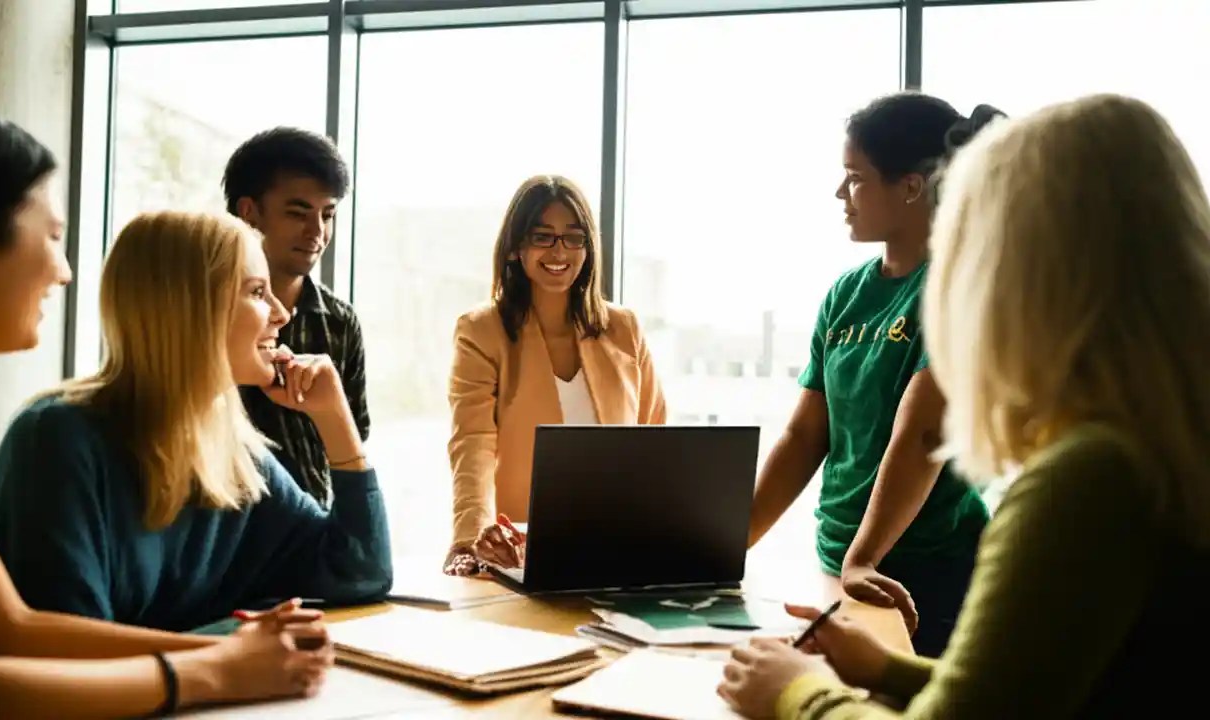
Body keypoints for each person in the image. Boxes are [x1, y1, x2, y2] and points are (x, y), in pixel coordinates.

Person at [719, 93, 1210, 718]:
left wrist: (793, 690)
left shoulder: (1089, 477)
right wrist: (886, 666)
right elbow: (1029, 689)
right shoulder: (1168, 449)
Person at [0, 104, 332, 716]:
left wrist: (236, 656)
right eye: (54, 238)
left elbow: (10, 627)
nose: (64, 273)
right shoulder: (56, 434)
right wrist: (213, 672)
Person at [0, 209, 393, 632]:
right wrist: (233, 647)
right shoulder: (55, 440)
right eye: (256, 292)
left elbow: (360, 573)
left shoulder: (235, 452)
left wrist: (334, 421)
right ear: (190, 307)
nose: (281, 314)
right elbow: (64, 650)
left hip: (200, 695)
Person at [745, 93, 999, 656]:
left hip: (923, 574)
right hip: (841, 564)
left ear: (911, 187)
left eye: (855, 178)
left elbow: (922, 435)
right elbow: (806, 435)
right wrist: (729, 544)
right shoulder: (846, 294)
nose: (841, 194)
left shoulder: (954, 290)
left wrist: (866, 557)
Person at [443, 175, 667, 575]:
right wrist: (470, 537)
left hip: (620, 543)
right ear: (516, 247)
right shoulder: (481, 330)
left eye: (573, 236)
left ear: (588, 247)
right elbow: (472, 441)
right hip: (523, 549)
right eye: (542, 236)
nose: (559, 250)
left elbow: (654, 438)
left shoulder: (624, 327)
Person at [226, 127, 369, 509]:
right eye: (298, 212)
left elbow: (351, 443)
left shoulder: (339, 323)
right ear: (248, 212)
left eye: (328, 214)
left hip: (314, 535)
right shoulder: (204, 315)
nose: (317, 232)